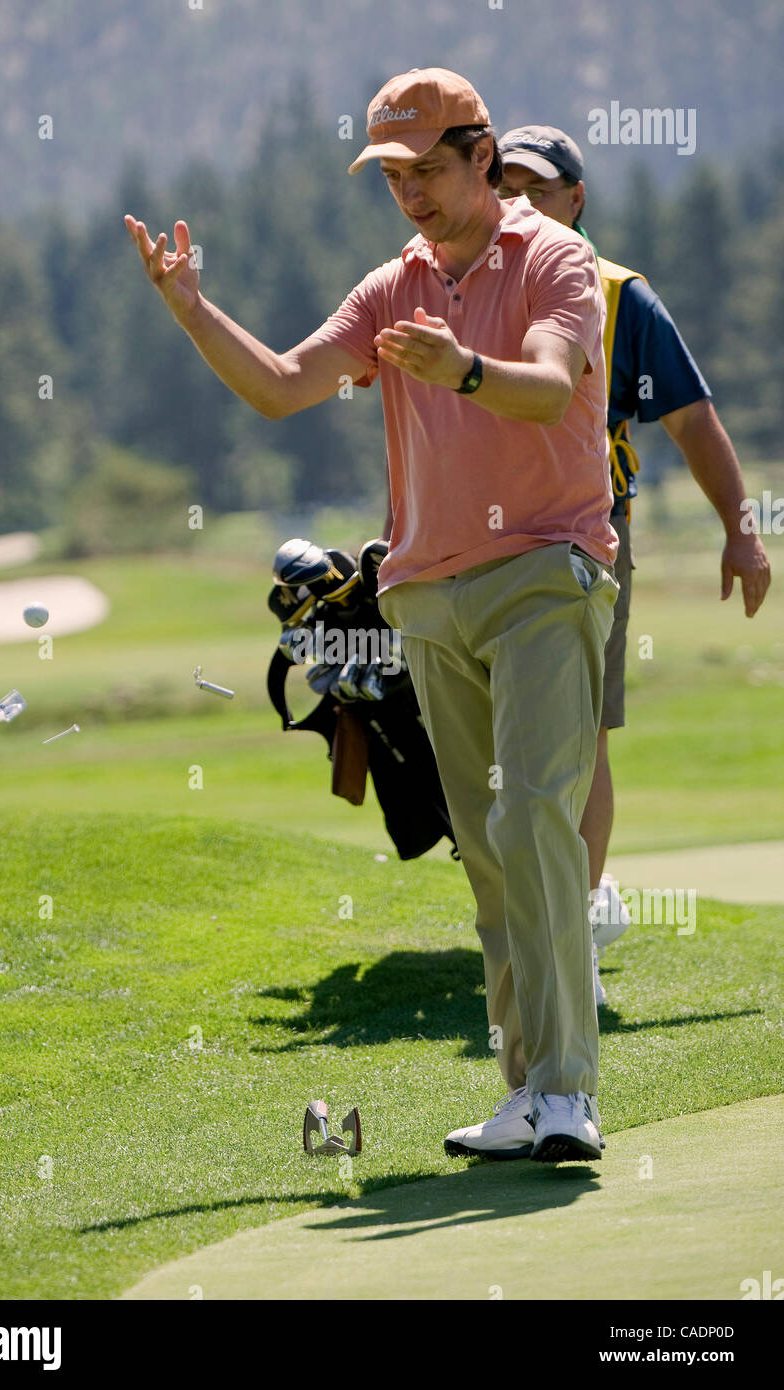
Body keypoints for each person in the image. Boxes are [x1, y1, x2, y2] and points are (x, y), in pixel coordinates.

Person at [126, 67, 619, 1163]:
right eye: (392, 175)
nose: (410, 193)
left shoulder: (552, 257)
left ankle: (569, 1095)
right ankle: (524, 1085)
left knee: (538, 812)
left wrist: (463, 371)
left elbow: (548, 380)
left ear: (483, 158)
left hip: (545, 569)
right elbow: (283, 384)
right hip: (428, 594)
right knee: (488, 849)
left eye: (428, 169)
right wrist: (193, 309)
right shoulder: (390, 285)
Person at [494, 127, 772, 1005]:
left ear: (576, 200)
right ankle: (538, 922)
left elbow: (692, 420)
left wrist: (742, 528)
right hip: (478, 541)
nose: (520, 202)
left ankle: (571, 919)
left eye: (538, 188)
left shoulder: (619, 298)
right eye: (504, 185)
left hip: (587, 535)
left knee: (582, 729)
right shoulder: (466, 287)